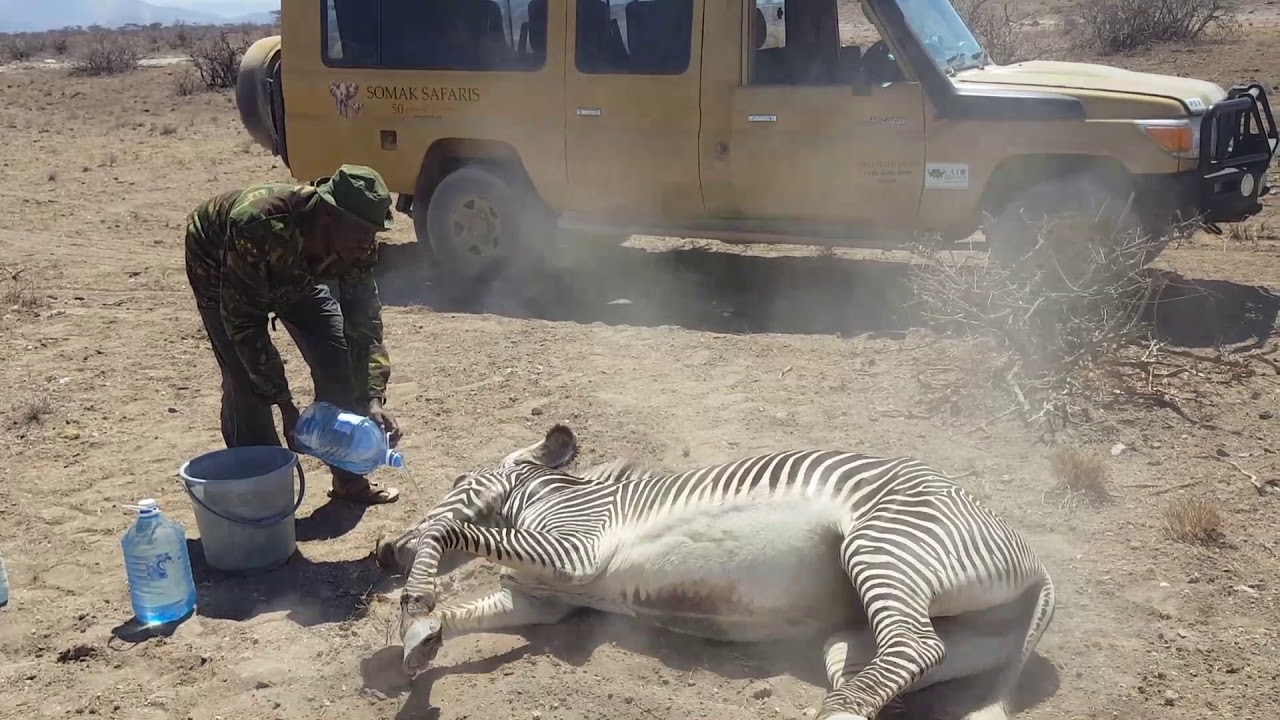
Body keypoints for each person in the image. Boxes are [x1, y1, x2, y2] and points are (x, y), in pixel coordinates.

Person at [184, 164, 403, 505]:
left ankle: (349, 480)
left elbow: (365, 323)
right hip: (220, 263)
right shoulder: (256, 225)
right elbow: (244, 325)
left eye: (373, 232)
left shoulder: (357, 243)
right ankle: (261, 496)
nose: (368, 241)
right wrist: (285, 404)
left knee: (338, 357)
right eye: (361, 231)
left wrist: (372, 397)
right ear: (331, 215)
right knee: (245, 381)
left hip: (297, 275)